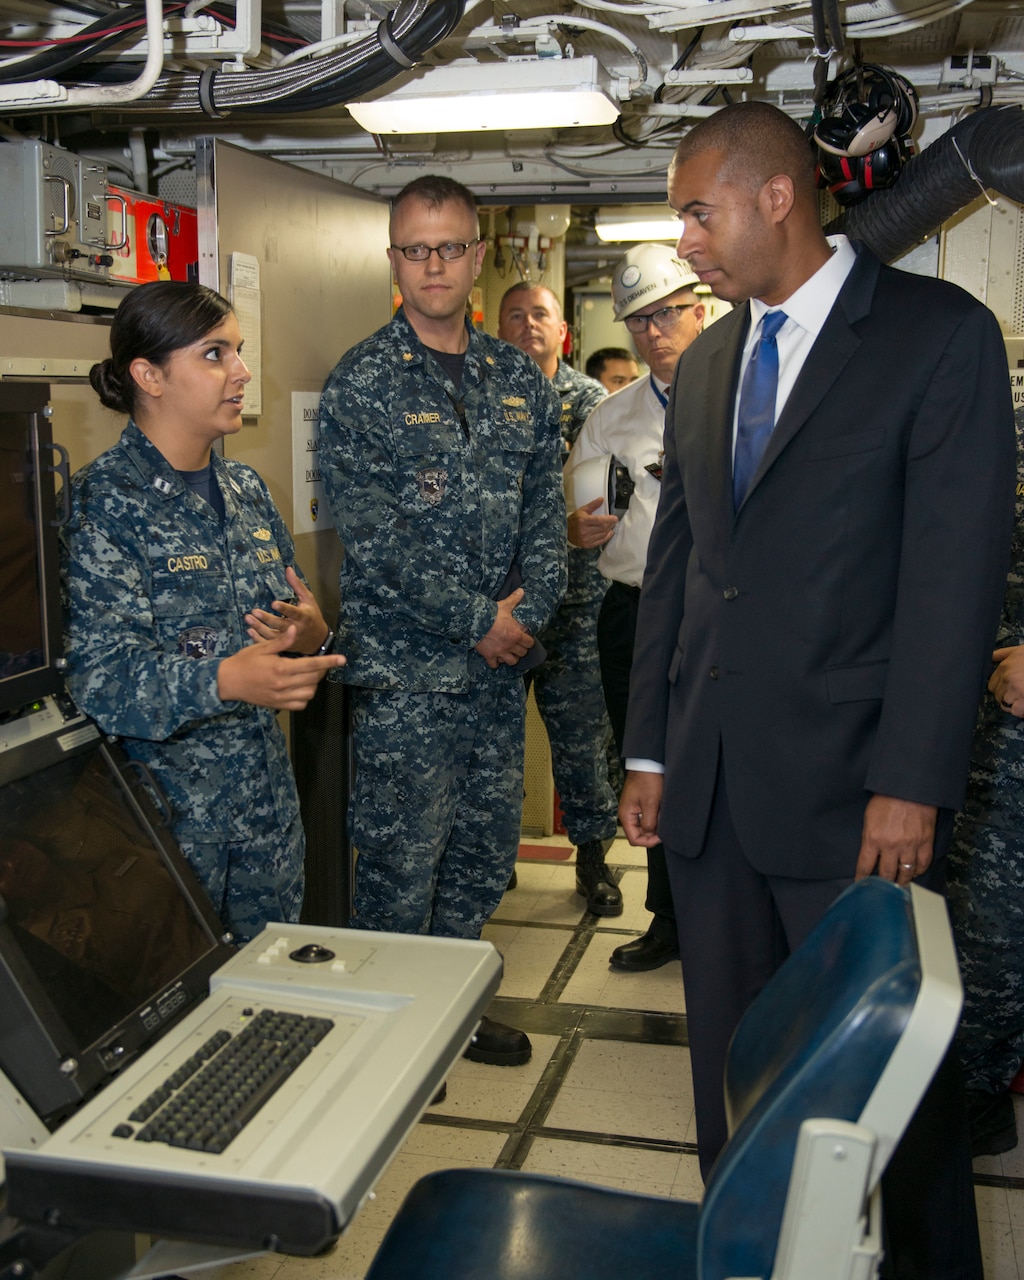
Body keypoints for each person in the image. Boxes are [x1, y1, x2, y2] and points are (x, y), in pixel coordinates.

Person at [619, 101, 1014, 1278]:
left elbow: (954, 576)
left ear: (775, 196)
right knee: (736, 1082)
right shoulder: (705, 364)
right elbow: (679, 578)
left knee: (889, 1094)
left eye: (697, 210)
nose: (684, 239)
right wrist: (647, 750)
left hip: (855, 798)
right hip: (710, 793)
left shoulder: (934, 335)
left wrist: (911, 781)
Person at [317, 176, 566, 1067]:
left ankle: (453, 1015)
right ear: (393, 260)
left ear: (478, 254)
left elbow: (547, 517)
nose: (434, 264)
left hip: (497, 677)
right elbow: (375, 541)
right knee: (398, 865)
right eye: (416, 249)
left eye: (451, 247)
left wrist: (527, 615)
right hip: (407, 680)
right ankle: (389, 1040)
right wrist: (478, 621)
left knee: (482, 856)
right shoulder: (364, 383)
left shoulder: (517, 382)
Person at [61, 281, 343, 944]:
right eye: (215, 354)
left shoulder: (245, 490)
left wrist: (310, 631)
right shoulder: (103, 503)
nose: (242, 372)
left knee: (268, 1003)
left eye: (239, 352)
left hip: (265, 818)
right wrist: (224, 680)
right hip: (165, 831)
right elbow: (98, 681)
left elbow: (294, 613)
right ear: (148, 375)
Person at [565, 245, 705, 971]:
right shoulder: (608, 418)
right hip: (637, 612)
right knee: (644, 762)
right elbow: (574, 512)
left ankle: (725, 918)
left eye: (664, 314)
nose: (652, 332)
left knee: (722, 762)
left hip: (721, 614)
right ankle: (669, 919)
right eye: (637, 321)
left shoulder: (748, 397)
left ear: (699, 310)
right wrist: (574, 530)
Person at [497, 282, 621, 915]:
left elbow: (601, 498)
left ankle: (596, 861)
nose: (526, 325)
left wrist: (565, 532)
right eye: (513, 315)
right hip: (502, 605)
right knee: (495, 738)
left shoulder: (591, 402)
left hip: (574, 603)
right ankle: (493, 860)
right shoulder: (480, 395)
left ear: (563, 330)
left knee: (580, 734)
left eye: (538, 314)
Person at [946, 401, 1024, 1157]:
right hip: (1001, 716)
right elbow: (964, 553)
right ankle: (976, 1087)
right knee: (987, 925)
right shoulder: (1008, 425)